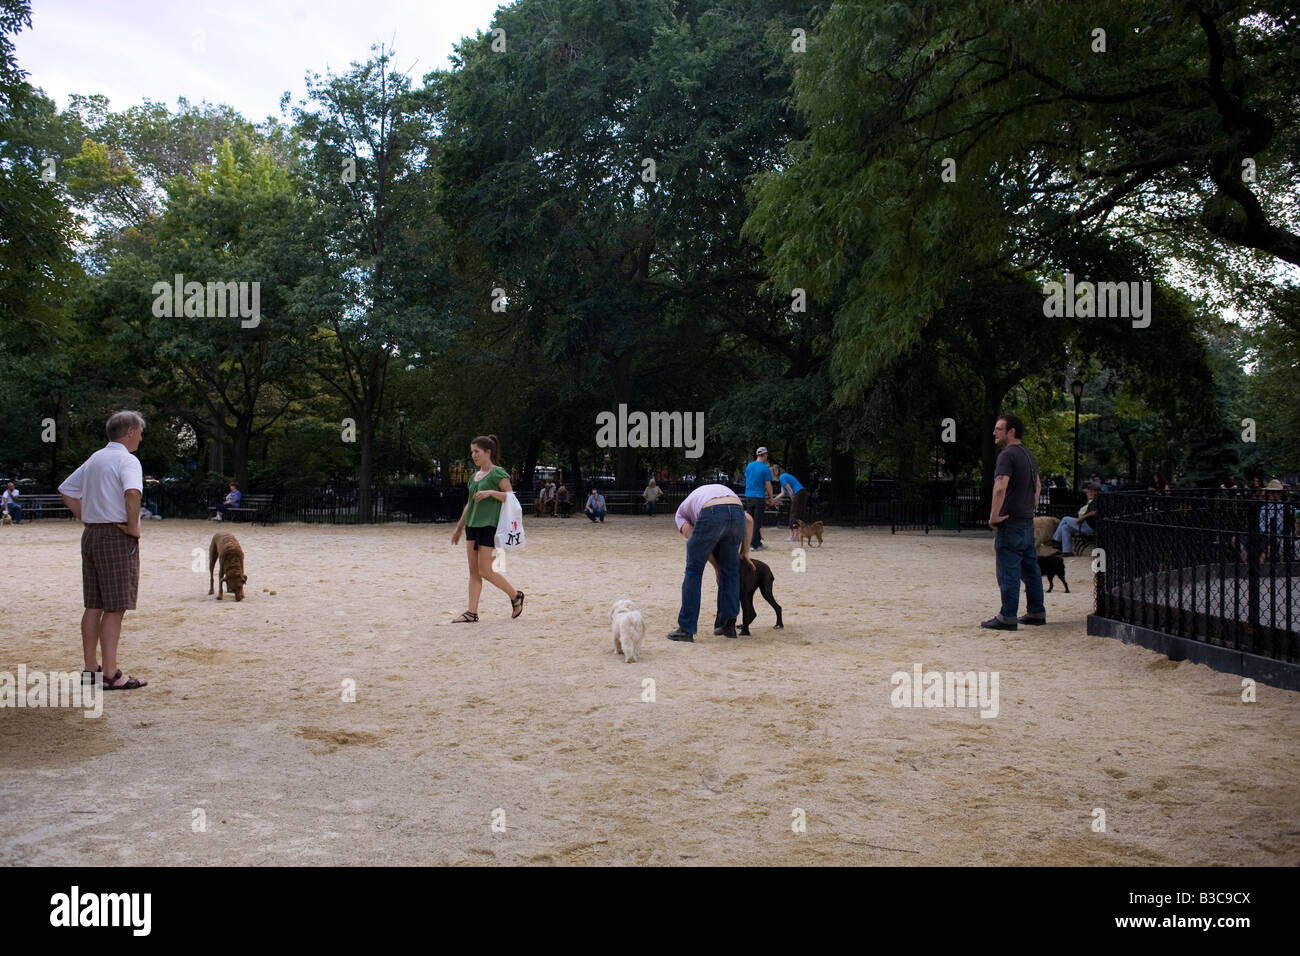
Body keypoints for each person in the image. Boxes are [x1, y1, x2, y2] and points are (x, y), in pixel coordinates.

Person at [57, 410, 149, 690]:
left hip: (92, 535)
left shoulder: (96, 458)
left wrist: (87, 516)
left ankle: (90, 669)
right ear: (130, 431)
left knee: (93, 605)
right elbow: (132, 493)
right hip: (116, 535)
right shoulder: (127, 460)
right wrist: (133, 527)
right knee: (115, 607)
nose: (141, 437)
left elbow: (66, 489)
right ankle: (110, 674)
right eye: (140, 432)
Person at [450, 434, 523, 622]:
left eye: (477, 451)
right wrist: (459, 528)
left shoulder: (498, 473)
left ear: (488, 452)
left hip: (490, 526)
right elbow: (469, 504)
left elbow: (511, 498)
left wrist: (491, 492)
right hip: (472, 526)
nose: (474, 455)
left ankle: (515, 595)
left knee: (485, 570)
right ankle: (471, 612)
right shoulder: (474, 477)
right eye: (472, 452)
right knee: (473, 571)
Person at [982, 414, 1045, 630]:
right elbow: (1038, 486)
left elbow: (1000, 487)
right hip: (1026, 520)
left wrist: (994, 516)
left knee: (1008, 569)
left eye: (999, 429)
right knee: (1031, 570)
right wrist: (1030, 508)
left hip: (1010, 522)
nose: (994, 432)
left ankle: (1007, 616)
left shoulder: (1007, 456)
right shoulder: (1029, 455)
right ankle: (1037, 611)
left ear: (1011, 432)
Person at [666, 483, 750, 642]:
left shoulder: (681, 514)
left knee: (694, 570)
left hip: (711, 511)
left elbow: (694, 541)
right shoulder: (708, 494)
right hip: (738, 509)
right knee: (731, 571)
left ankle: (686, 628)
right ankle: (728, 624)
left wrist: (716, 566)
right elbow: (750, 520)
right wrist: (745, 552)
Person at [1054, 484, 1100, 556]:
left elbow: (1094, 512)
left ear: (1094, 492)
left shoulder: (1097, 500)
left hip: (1089, 527)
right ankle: (1067, 551)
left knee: (1065, 518)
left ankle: (1056, 540)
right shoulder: (1094, 500)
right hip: (1086, 524)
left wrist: (1081, 518)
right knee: (1065, 528)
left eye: (1089, 492)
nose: (1087, 494)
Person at [743, 446, 775, 551]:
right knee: (756, 522)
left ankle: (757, 542)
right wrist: (771, 498)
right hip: (759, 497)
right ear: (764, 455)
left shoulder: (749, 466)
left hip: (748, 497)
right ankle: (753, 545)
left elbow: (748, 479)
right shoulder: (765, 468)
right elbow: (768, 485)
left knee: (749, 521)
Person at [770, 464, 808, 543]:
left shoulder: (782, 477)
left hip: (798, 494)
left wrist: (793, 500)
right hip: (802, 493)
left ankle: (792, 537)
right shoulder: (783, 477)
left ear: (774, 473)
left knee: (793, 515)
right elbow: (783, 493)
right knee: (798, 515)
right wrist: (773, 500)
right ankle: (796, 537)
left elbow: (790, 490)